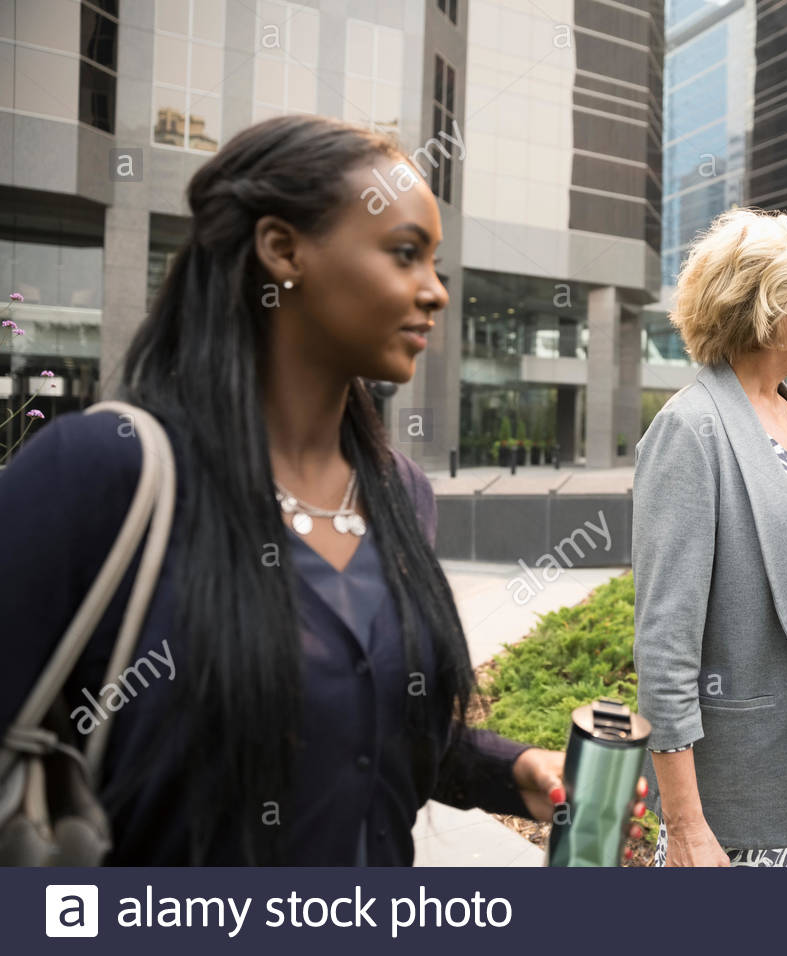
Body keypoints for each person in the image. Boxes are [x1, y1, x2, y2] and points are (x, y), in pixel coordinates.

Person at [0, 115, 645, 864]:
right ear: (283, 249)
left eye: (435, 263)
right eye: (405, 255)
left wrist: (514, 771)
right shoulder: (103, 470)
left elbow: (359, 726)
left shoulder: (401, 493)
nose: (434, 292)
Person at [633, 208, 787, 867]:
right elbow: (664, 644)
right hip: (734, 798)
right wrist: (684, 826)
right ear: (774, 303)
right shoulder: (692, 429)